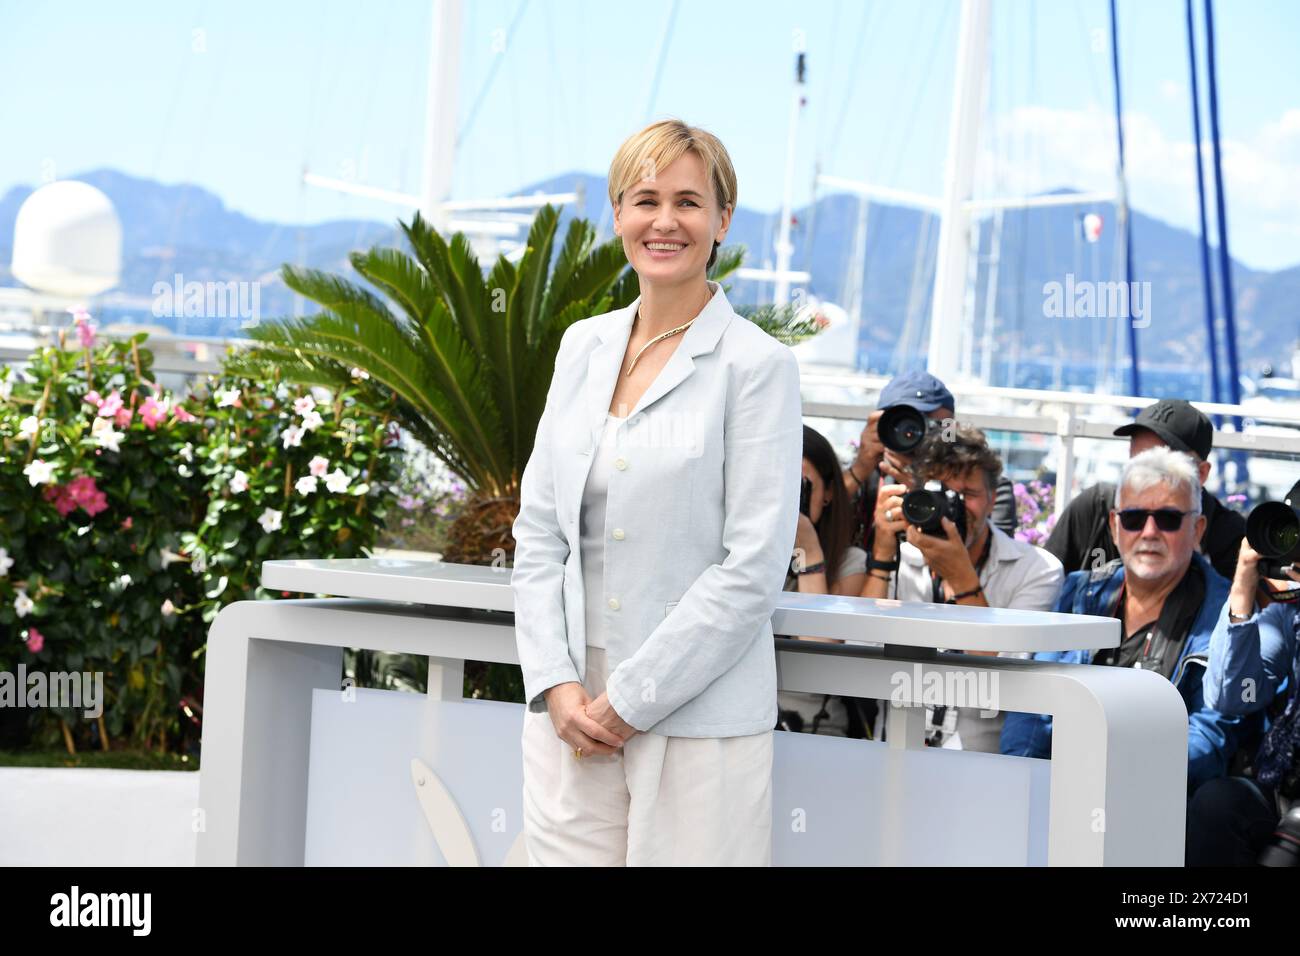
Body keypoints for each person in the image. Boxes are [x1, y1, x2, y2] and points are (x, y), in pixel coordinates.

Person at [511, 119, 803, 866]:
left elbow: (752, 569)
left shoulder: (757, 367)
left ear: (722, 220)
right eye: (645, 200)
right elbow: (539, 534)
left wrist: (630, 700)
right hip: (570, 718)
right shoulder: (582, 347)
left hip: (697, 720)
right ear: (618, 215)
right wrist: (556, 686)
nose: (665, 222)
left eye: (688, 202)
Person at [1001, 446, 1253, 795]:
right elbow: (1034, 708)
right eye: (1134, 518)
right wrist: (1020, 783)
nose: (1149, 532)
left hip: (1160, 799)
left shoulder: (1225, 617)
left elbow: (1212, 733)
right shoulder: (1078, 594)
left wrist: (1119, 775)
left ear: (1197, 529)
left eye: (1168, 518)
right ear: (1115, 527)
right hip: (1061, 789)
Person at [861, 422, 1063, 750]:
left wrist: (963, 581)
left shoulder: (1036, 570)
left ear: (992, 499)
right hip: (895, 752)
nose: (953, 507)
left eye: (967, 495)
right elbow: (856, 652)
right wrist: (883, 553)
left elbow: (1010, 681)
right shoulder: (901, 559)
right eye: (941, 493)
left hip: (984, 765)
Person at [1186, 479, 1300, 865]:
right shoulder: (1289, 614)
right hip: (1285, 785)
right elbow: (1237, 696)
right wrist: (1244, 588)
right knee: (1217, 805)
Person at [1045, 398, 1245, 580]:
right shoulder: (1094, 508)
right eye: (1139, 463)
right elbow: (1049, 585)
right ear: (1115, 523)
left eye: (1163, 467)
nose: (1149, 531)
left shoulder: (1229, 535)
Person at [842, 370, 1018, 553]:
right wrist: (860, 468)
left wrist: (928, 492)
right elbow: (819, 518)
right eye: (906, 426)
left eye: (933, 427)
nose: (917, 438)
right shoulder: (864, 479)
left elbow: (992, 557)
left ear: (951, 430)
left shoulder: (982, 489)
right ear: (882, 426)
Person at [775, 425, 870, 737]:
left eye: (801, 486)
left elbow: (819, 650)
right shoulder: (740, 555)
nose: (788, 499)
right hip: (746, 718)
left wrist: (809, 550)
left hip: (815, 727)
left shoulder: (849, 563)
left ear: (828, 492)